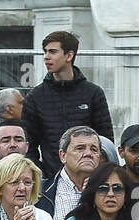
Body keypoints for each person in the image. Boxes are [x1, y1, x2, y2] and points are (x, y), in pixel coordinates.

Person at [22, 31, 113, 177]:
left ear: (69, 55)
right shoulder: (35, 97)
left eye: (52, 52)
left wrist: (97, 175)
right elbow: (29, 146)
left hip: (90, 179)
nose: (46, 57)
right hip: (51, 179)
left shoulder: (93, 93)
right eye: (45, 52)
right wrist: (40, 176)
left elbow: (106, 141)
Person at [0, 121, 31, 187]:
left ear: (27, 146)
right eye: (6, 141)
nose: (12, 145)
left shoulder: (43, 187)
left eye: (18, 140)